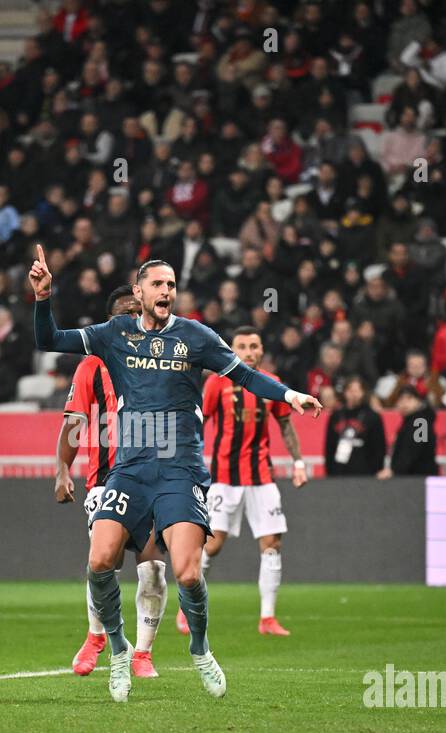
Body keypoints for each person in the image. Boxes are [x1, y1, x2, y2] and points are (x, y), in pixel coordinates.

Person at [31, 247, 322, 703]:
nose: (166, 291)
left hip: (180, 471)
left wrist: (289, 395)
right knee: (100, 560)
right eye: (158, 284)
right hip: (129, 471)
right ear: (138, 292)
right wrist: (44, 296)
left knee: (187, 573)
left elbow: (245, 376)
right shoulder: (115, 333)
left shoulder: (195, 336)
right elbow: (49, 338)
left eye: (171, 284)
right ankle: (120, 651)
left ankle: (201, 649)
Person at [56, 287, 169, 679]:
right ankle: (96, 636)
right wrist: (61, 471)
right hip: (105, 480)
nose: (133, 318)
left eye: (138, 311)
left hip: (154, 478)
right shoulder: (92, 363)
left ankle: (142, 653)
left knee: (152, 568)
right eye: (124, 313)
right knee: (104, 561)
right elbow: (75, 422)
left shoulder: (164, 358)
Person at [195, 326, 308, 636]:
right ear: (232, 350)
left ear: (261, 350)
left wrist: (298, 462)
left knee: (272, 543)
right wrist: (190, 462)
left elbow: (285, 425)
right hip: (224, 478)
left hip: (262, 477)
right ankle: (187, 606)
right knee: (212, 545)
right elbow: (199, 424)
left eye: (254, 346)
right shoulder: (217, 382)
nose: (249, 351)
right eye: (242, 346)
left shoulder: (272, 385)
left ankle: (267, 618)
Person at [325, 376, 386, 476]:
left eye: (358, 390)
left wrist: (375, 471)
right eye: (350, 390)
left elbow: (379, 448)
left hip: (365, 473)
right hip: (339, 472)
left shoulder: (373, 417)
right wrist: (330, 472)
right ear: (344, 392)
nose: (354, 394)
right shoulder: (336, 416)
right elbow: (329, 446)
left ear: (363, 392)